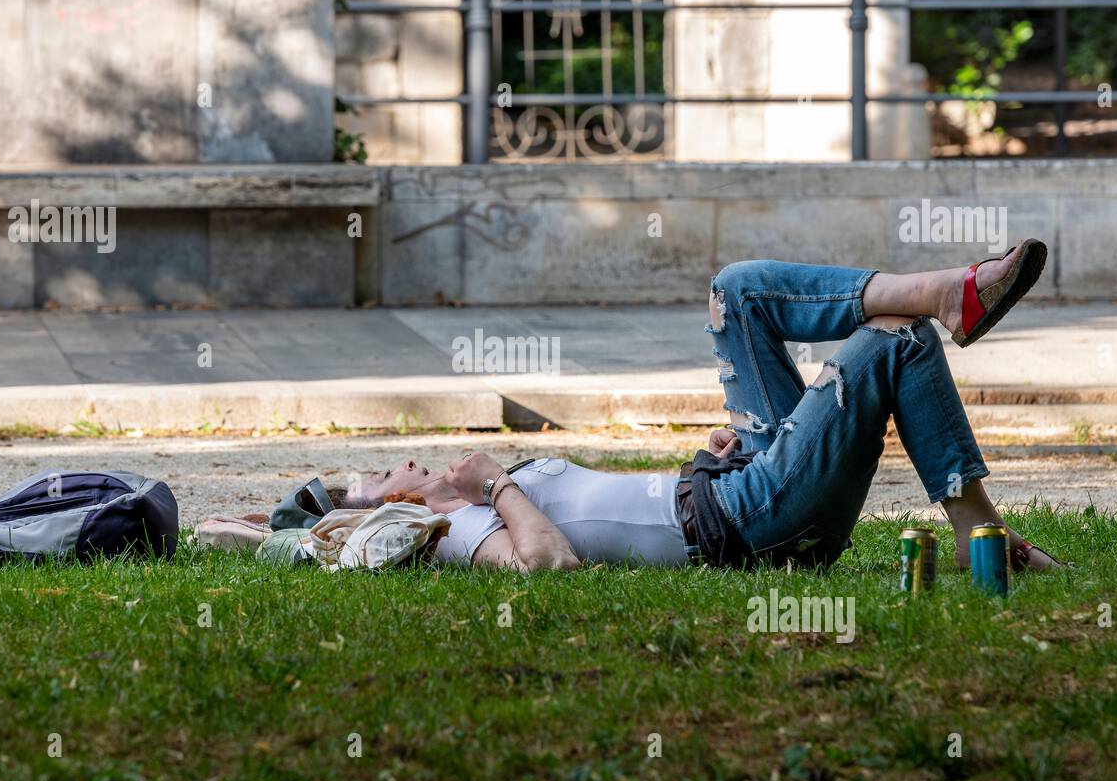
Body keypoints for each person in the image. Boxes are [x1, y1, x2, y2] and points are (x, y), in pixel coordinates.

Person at [299, 240, 1060, 575]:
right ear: (377, 509)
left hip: (731, 487)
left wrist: (701, 465)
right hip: (754, 520)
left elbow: (621, 511)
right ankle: (975, 529)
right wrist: (497, 482)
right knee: (898, 342)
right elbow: (549, 565)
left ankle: (941, 291)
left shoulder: (468, 500)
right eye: (367, 479)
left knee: (736, 290)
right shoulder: (452, 529)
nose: (393, 463)